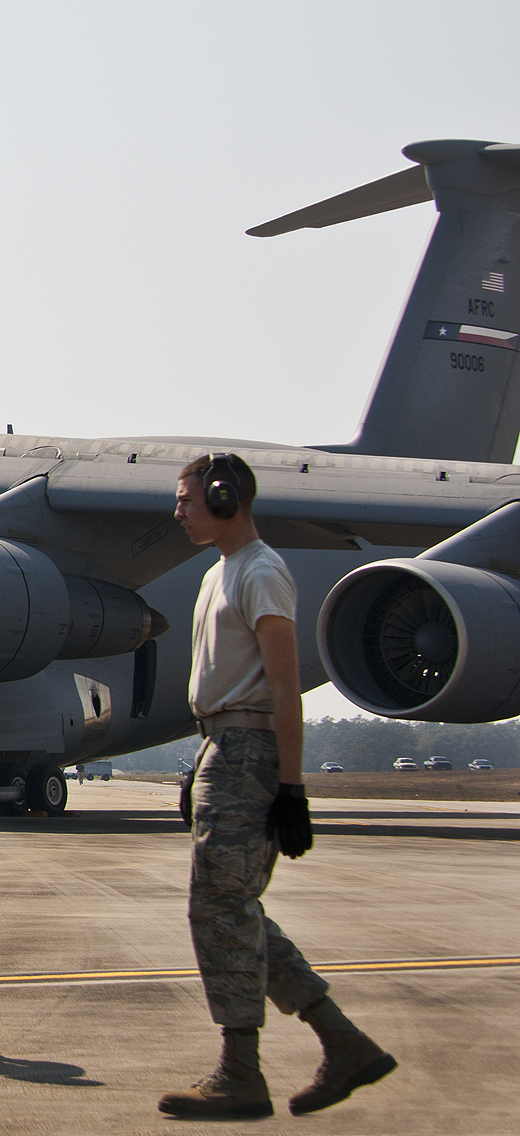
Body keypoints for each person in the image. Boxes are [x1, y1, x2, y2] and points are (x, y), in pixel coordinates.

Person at [159, 453, 395, 1119]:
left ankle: (242, 1072)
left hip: (248, 751)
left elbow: (284, 686)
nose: (178, 510)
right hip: (223, 749)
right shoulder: (218, 574)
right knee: (233, 907)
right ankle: (342, 1042)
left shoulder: (262, 572)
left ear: (228, 497)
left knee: (221, 907)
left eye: (187, 498)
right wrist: (202, 763)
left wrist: (291, 786)